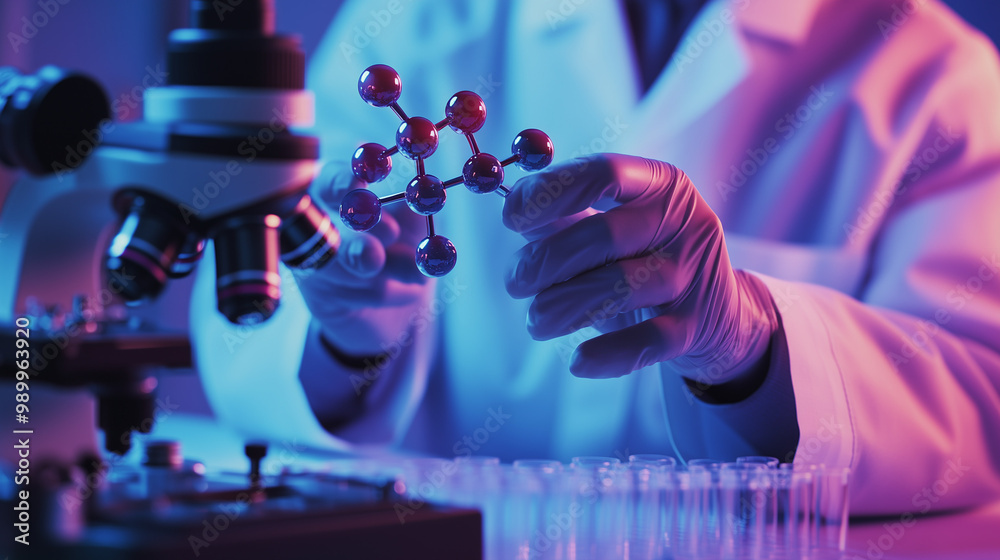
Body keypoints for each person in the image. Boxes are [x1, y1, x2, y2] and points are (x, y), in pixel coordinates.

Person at [191, 0, 1000, 516]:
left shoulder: (937, 78)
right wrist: (348, 343)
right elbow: (253, 320)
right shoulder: (411, 22)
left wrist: (756, 347)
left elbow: (979, 398)